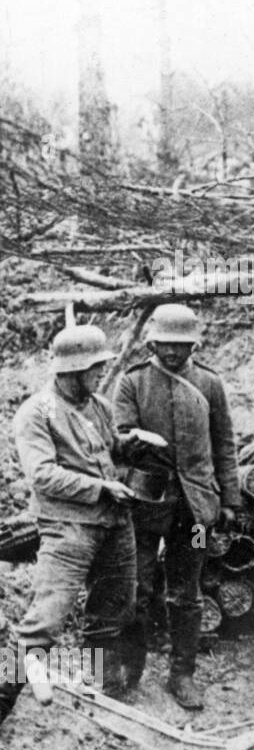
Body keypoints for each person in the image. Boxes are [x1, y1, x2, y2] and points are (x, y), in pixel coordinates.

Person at [1, 325, 142, 728]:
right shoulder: (37, 412)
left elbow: (109, 446)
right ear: (73, 370)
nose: (102, 374)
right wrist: (101, 487)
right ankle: (2, 700)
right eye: (96, 367)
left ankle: (96, 693)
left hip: (115, 523)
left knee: (112, 610)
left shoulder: (98, 404)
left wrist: (130, 445)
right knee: (44, 622)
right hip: (69, 527)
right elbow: (42, 475)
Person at [113, 304, 241, 710]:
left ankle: (182, 675)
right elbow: (117, 440)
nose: (172, 353)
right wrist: (131, 444)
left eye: (181, 346)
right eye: (165, 345)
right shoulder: (133, 383)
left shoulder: (209, 383)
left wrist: (231, 499)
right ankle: (127, 669)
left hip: (197, 509)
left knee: (189, 590)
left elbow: (225, 443)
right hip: (147, 503)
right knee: (138, 585)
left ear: (193, 344)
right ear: (151, 342)